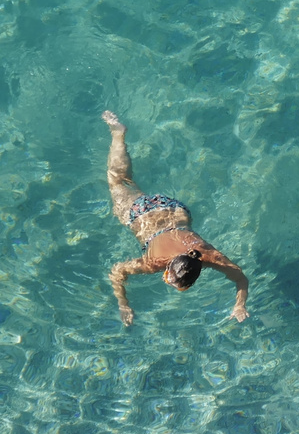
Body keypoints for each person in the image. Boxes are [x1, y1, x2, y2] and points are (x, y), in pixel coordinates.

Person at [101, 110, 248, 326]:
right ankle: (117, 134)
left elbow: (241, 278)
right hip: (142, 216)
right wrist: (124, 304)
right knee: (116, 180)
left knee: (125, 181)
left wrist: (240, 305)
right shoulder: (155, 263)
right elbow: (116, 271)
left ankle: (119, 135)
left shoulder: (206, 254)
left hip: (174, 209)